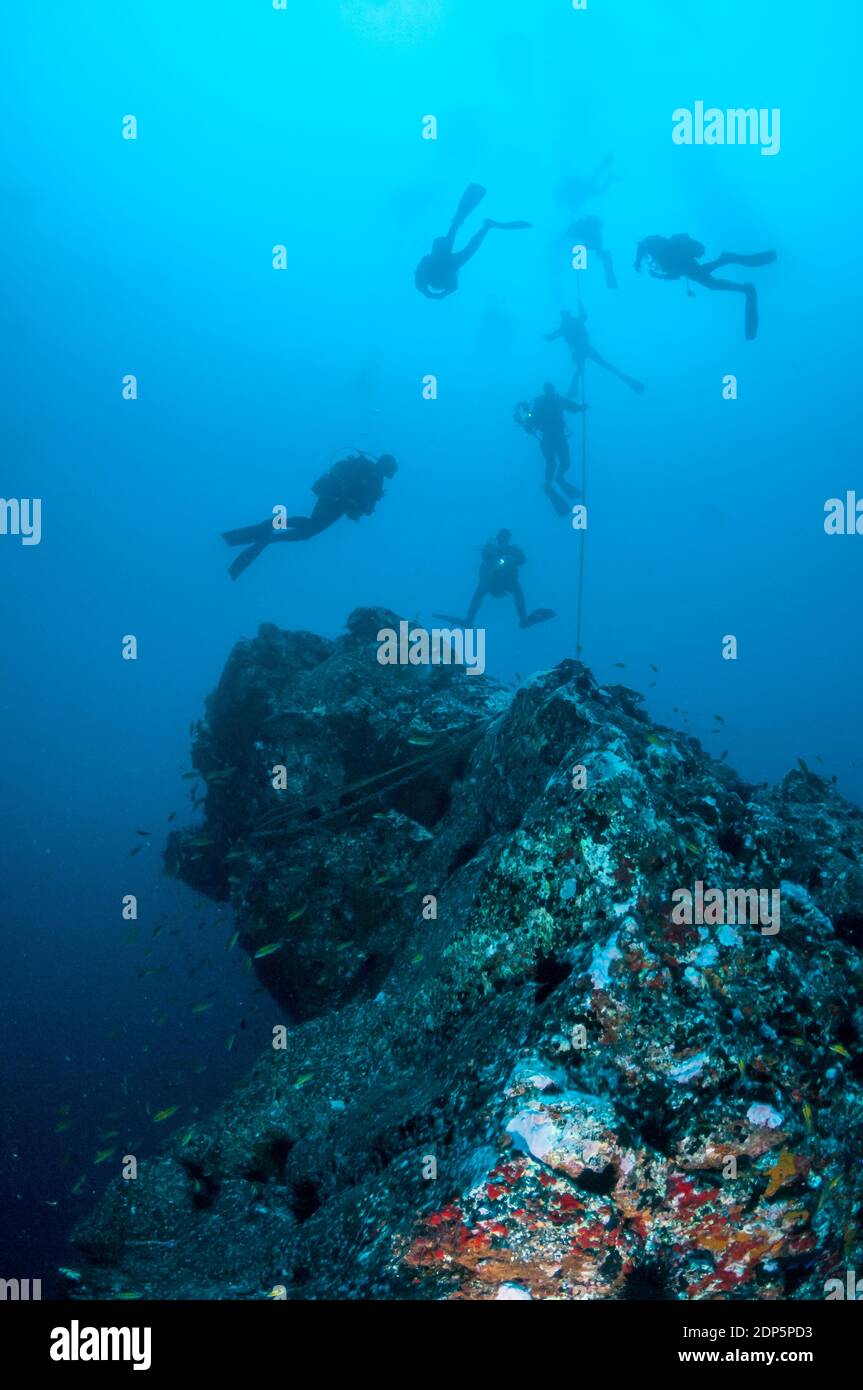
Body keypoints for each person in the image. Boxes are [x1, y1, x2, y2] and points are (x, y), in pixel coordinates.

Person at [222, 452, 397, 579]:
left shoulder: (374, 477)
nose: (392, 474)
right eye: (392, 470)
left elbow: (362, 504)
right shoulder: (370, 473)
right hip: (335, 502)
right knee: (308, 530)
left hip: (331, 499)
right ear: (385, 465)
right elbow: (357, 497)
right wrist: (355, 504)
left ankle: (268, 529)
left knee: (308, 526)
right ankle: (267, 536)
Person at [634, 233, 777, 340]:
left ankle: (730, 266)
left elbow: (672, 271)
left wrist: (639, 262)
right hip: (684, 265)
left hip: (684, 264)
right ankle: (740, 282)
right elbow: (675, 274)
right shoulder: (657, 250)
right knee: (711, 283)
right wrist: (658, 274)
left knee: (710, 283)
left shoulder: (652, 246)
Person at [414, 183, 531, 299]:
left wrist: (432, 294)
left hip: (440, 255)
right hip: (447, 260)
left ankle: (477, 223)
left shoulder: (427, 276)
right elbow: (452, 287)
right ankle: (484, 226)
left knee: (457, 235)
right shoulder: (446, 280)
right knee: (465, 245)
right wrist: (439, 294)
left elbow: (421, 281)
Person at [435, 529, 555, 630]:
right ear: (498, 538)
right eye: (502, 537)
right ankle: (470, 618)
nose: (503, 539)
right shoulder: (491, 547)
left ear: (507, 538)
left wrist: (512, 558)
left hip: (506, 579)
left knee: (516, 592)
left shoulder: (513, 550)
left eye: (505, 537)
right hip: (491, 578)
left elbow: (522, 560)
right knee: (481, 591)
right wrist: (495, 554)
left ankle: (523, 619)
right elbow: (485, 555)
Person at [514, 383, 587, 518]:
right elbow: (531, 419)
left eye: (551, 389)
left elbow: (572, 407)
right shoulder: (540, 403)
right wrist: (527, 423)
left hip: (559, 437)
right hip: (548, 438)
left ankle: (558, 478)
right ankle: (548, 484)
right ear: (546, 391)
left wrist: (581, 408)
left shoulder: (558, 400)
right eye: (549, 390)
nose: (550, 391)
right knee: (552, 462)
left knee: (565, 462)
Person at [544, 305, 644, 395]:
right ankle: (626, 379)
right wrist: (580, 304)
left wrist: (547, 337)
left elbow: (552, 337)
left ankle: (573, 389)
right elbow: (584, 316)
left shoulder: (565, 326)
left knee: (582, 369)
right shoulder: (572, 322)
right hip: (584, 348)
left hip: (581, 350)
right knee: (601, 365)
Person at [568, 214, 617, 289]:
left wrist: (581, 246)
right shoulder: (583, 228)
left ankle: (610, 280)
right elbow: (571, 234)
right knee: (604, 254)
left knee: (605, 254)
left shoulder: (597, 234)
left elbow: (597, 248)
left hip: (579, 238)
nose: (597, 230)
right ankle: (610, 280)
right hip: (575, 235)